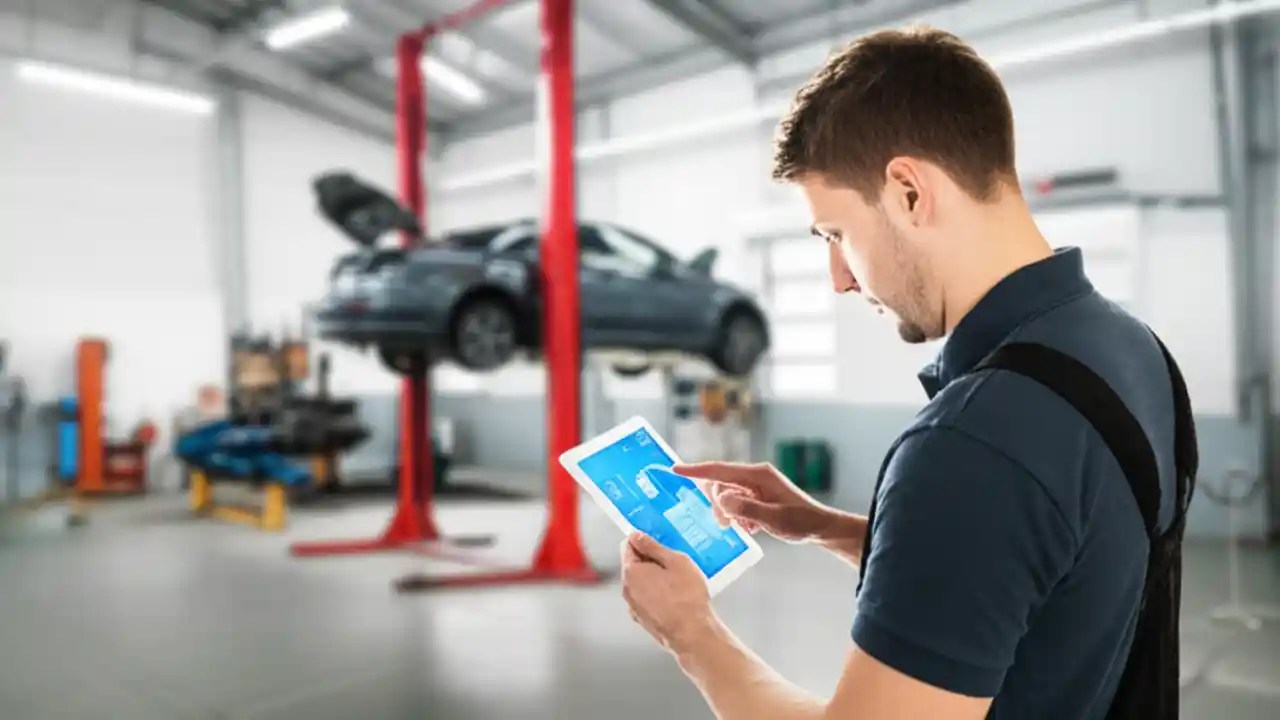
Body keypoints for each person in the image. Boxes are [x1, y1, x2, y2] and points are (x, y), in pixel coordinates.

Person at [619, 26, 1188, 719]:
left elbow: (990, 503)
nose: (838, 278)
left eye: (836, 235)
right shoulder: (1132, 350)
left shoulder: (975, 442)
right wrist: (826, 526)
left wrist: (691, 634)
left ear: (910, 193)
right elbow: (1044, 571)